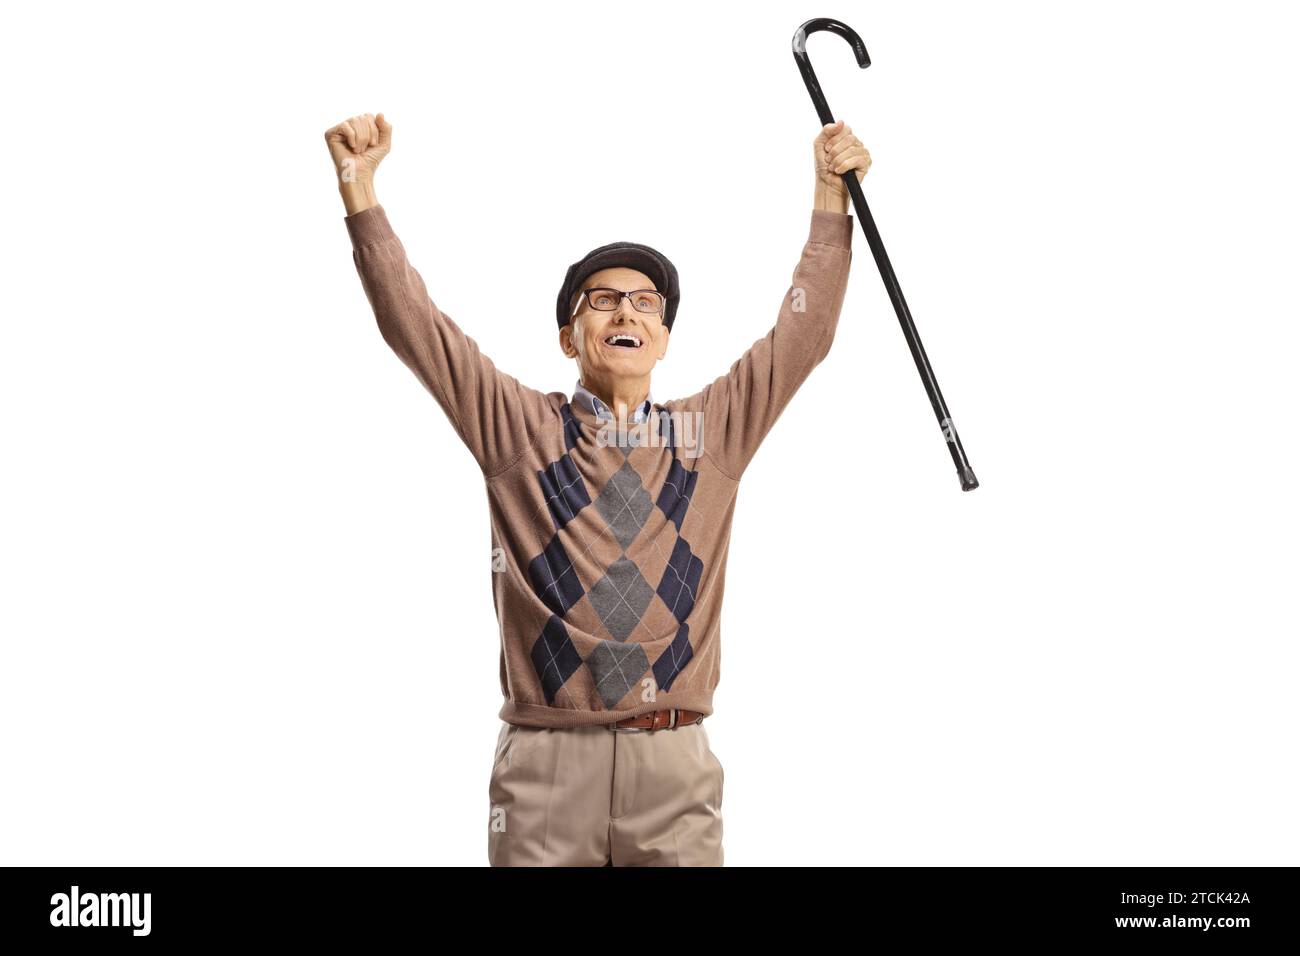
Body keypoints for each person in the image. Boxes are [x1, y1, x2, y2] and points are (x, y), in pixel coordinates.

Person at [324, 111, 869, 866]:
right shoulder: (518, 430)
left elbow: (800, 338)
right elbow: (414, 323)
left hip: (672, 764)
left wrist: (828, 198)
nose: (627, 312)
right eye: (603, 300)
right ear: (568, 338)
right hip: (547, 766)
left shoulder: (711, 433)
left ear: (665, 338)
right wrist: (359, 189)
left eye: (647, 303)